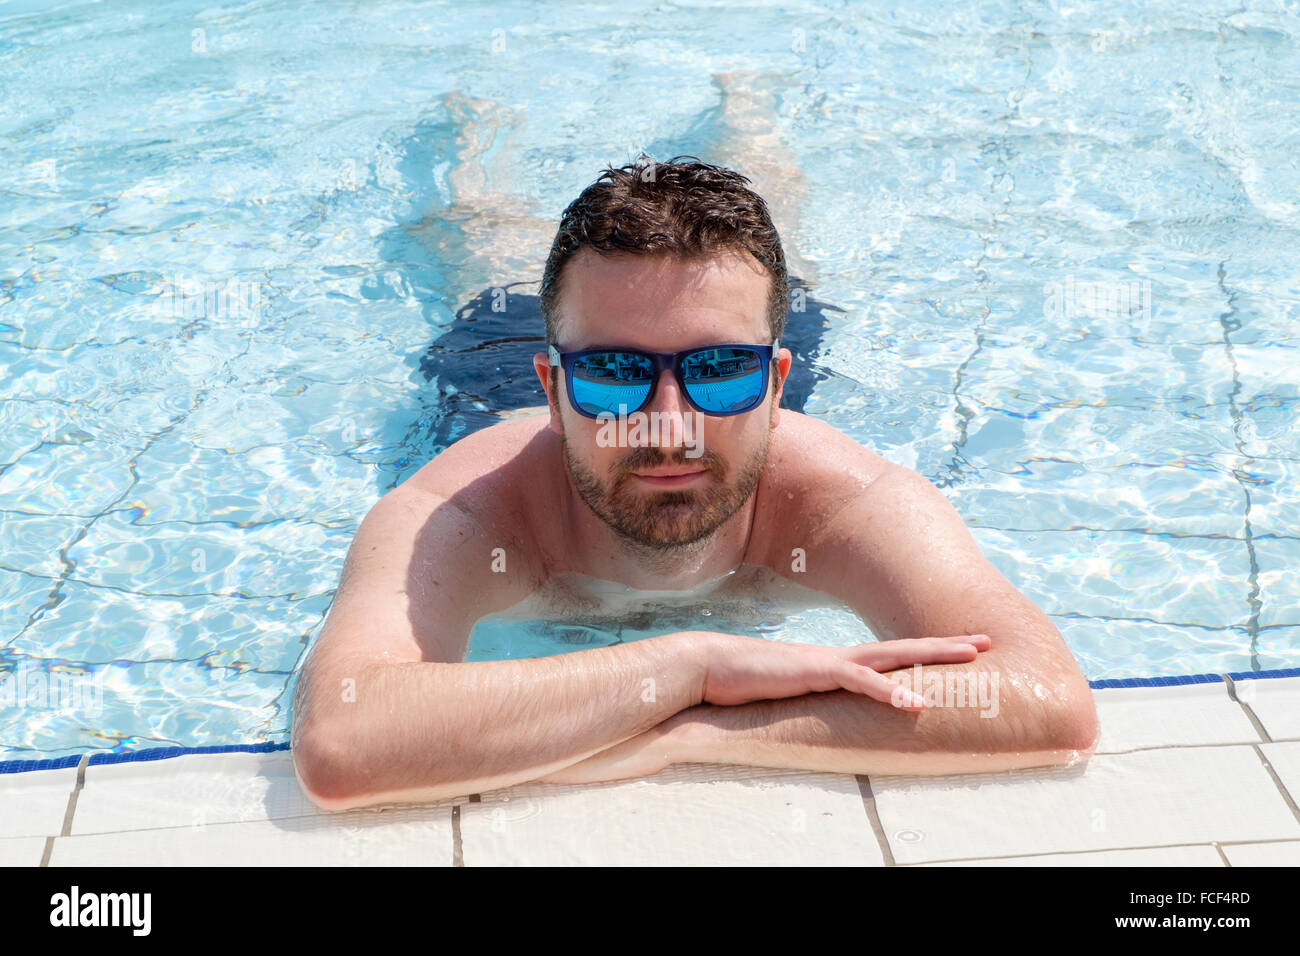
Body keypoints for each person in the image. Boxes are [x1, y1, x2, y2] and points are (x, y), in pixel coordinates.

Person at [290, 154, 1099, 811]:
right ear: (552, 389)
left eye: (720, 371)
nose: (669, 426)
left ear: (779, 386)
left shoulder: (841, 501)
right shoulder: (459, 515)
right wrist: (691, 669)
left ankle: (746, 106)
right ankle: (470, 147)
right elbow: (344, 735)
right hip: (487, 376)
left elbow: (1045, 698)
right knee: (483, 255)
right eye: (612, 374)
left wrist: (694, 731)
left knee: (773, 206)